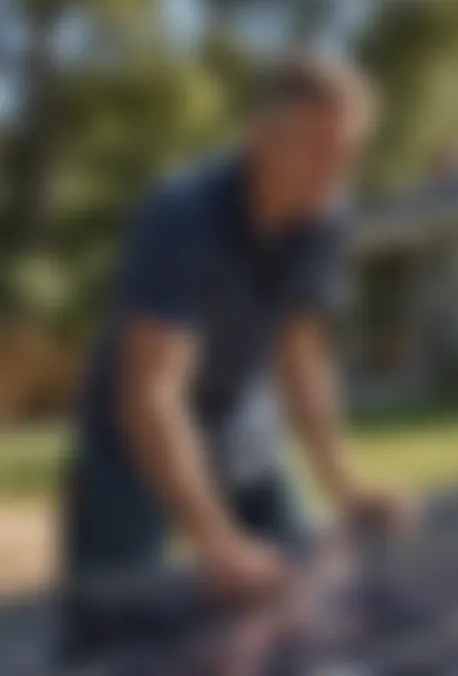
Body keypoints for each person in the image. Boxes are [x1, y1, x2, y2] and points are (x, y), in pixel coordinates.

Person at [61, 53, 412, 666]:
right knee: (112, 635)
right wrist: (217, 543)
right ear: (259, 135)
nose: (336, 171)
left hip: (241, 425)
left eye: (350, 151)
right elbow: (153, 393)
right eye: (318, 147)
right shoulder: (180, 215)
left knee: (306, 590)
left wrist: (347, 487)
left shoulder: (323, 223)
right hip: (131, 444)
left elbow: (303, 361)